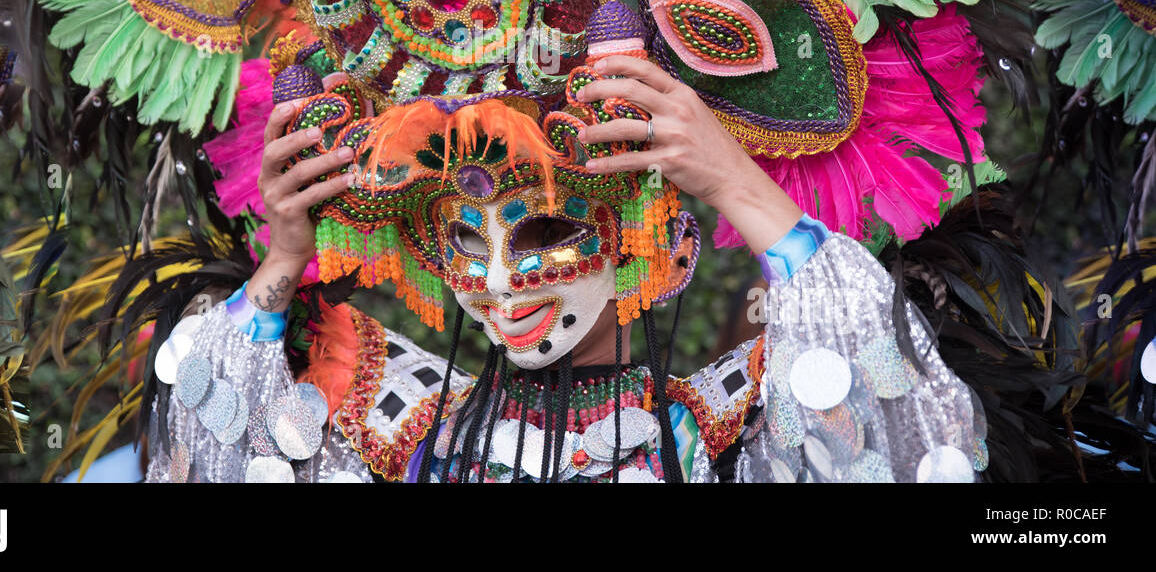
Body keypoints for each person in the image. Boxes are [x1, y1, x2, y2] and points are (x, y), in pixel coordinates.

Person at [145, 45, 985, 483]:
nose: (503, 282)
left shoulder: (725, 437)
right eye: (466, 244)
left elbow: (894, 427)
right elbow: (210, 441)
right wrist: (288, 255)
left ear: (659, 252)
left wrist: (733, 178)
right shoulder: (402, 433)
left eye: (546, 230)